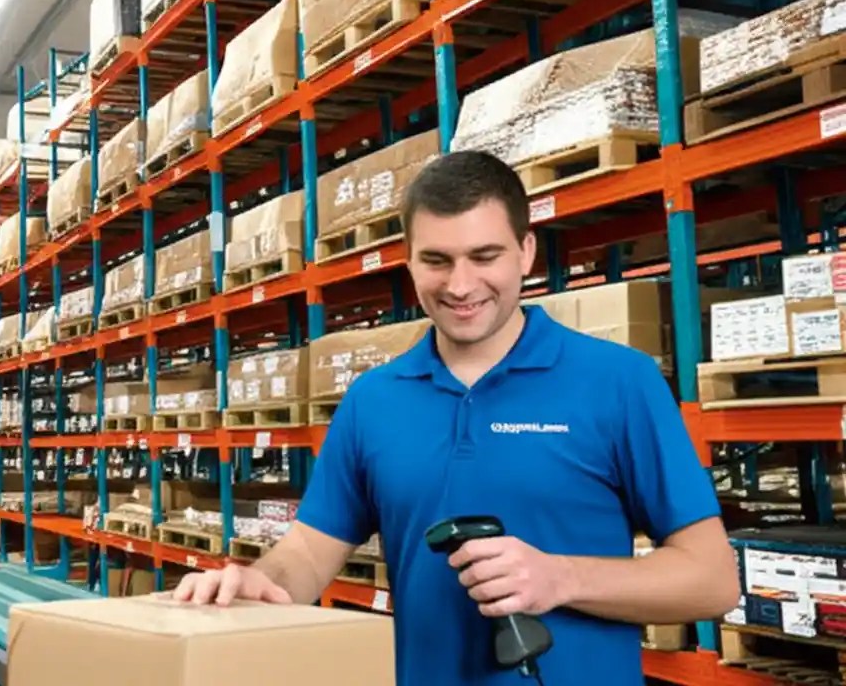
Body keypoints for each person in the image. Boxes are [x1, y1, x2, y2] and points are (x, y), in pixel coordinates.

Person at [172, 151, 739, 685]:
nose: (461, 286)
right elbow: (305, 556)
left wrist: (561, 578)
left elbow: (711, 580)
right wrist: (256, 582)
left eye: (484, 257)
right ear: (409, 261)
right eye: (437, 261)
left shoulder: (618, 381)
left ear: (526, 251)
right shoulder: (373, 400)